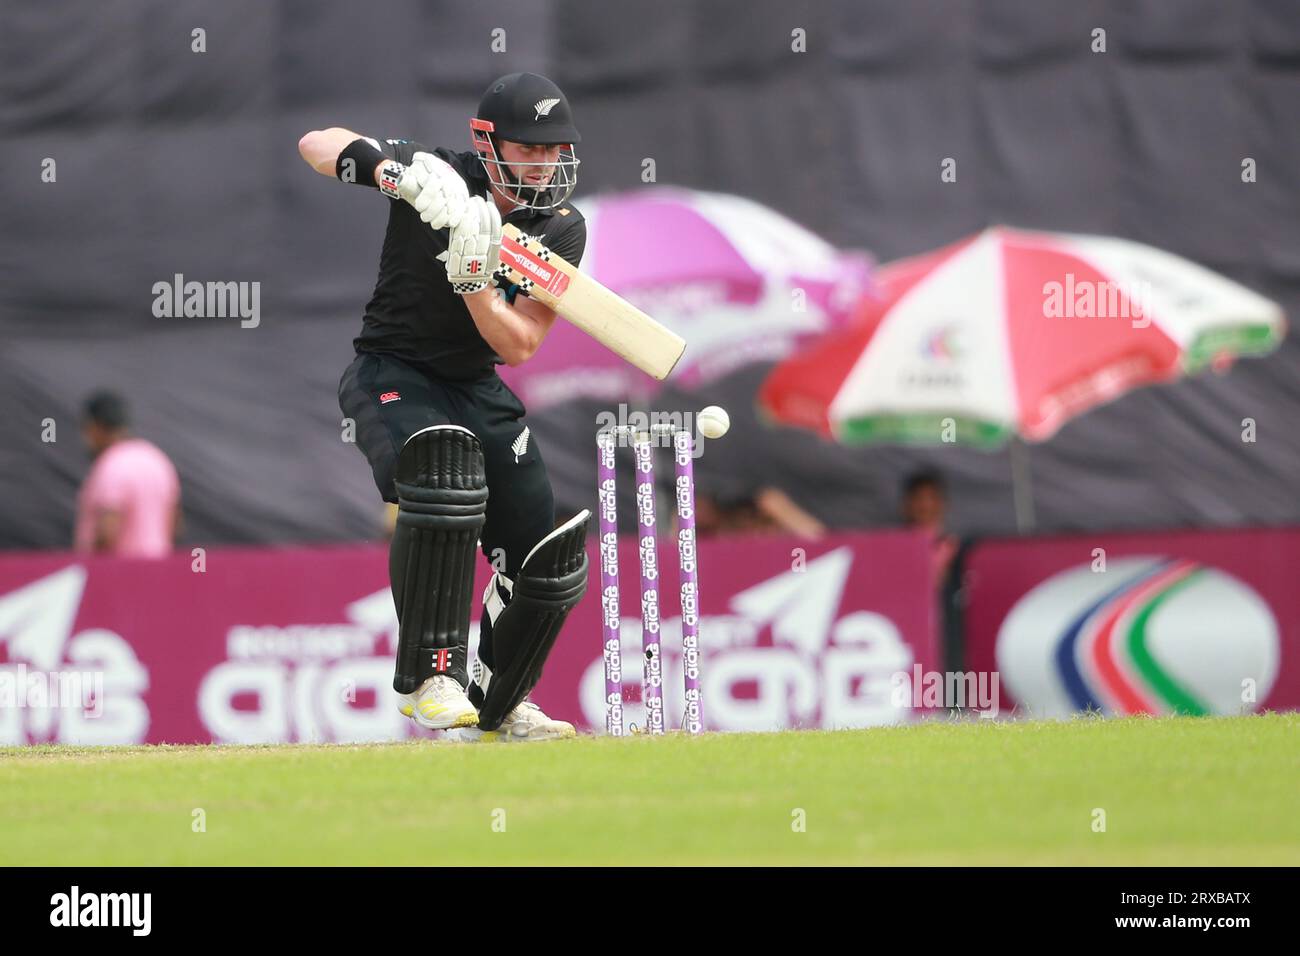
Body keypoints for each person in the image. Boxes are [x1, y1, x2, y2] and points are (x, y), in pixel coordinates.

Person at [298, 73, 589, 742]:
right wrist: (395, 178)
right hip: (390, 372)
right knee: (440, 467)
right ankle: (432, 677)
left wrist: (476, 284)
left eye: (555, 150)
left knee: (538, 545)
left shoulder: (560, 228)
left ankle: (501, 694)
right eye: (530, 149)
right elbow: (316, 143)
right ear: (487, 144)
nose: (545, 163)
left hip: (478, 383)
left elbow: (517, 344)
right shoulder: (439, 172)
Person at [74, 391, 181, 558]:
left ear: (96, 427)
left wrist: (90, 569)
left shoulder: (110, 465)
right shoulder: (157, 459)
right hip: (158, 573)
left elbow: (107, 530)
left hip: (118, 576)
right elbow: (175, 523)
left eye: (86, 431)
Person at [900, 468, 957, 581]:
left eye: (932, 497)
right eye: (918, 498)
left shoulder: (958, 551)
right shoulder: (895, 550)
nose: (926, 505)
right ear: (905, 505)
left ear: (945, 503)